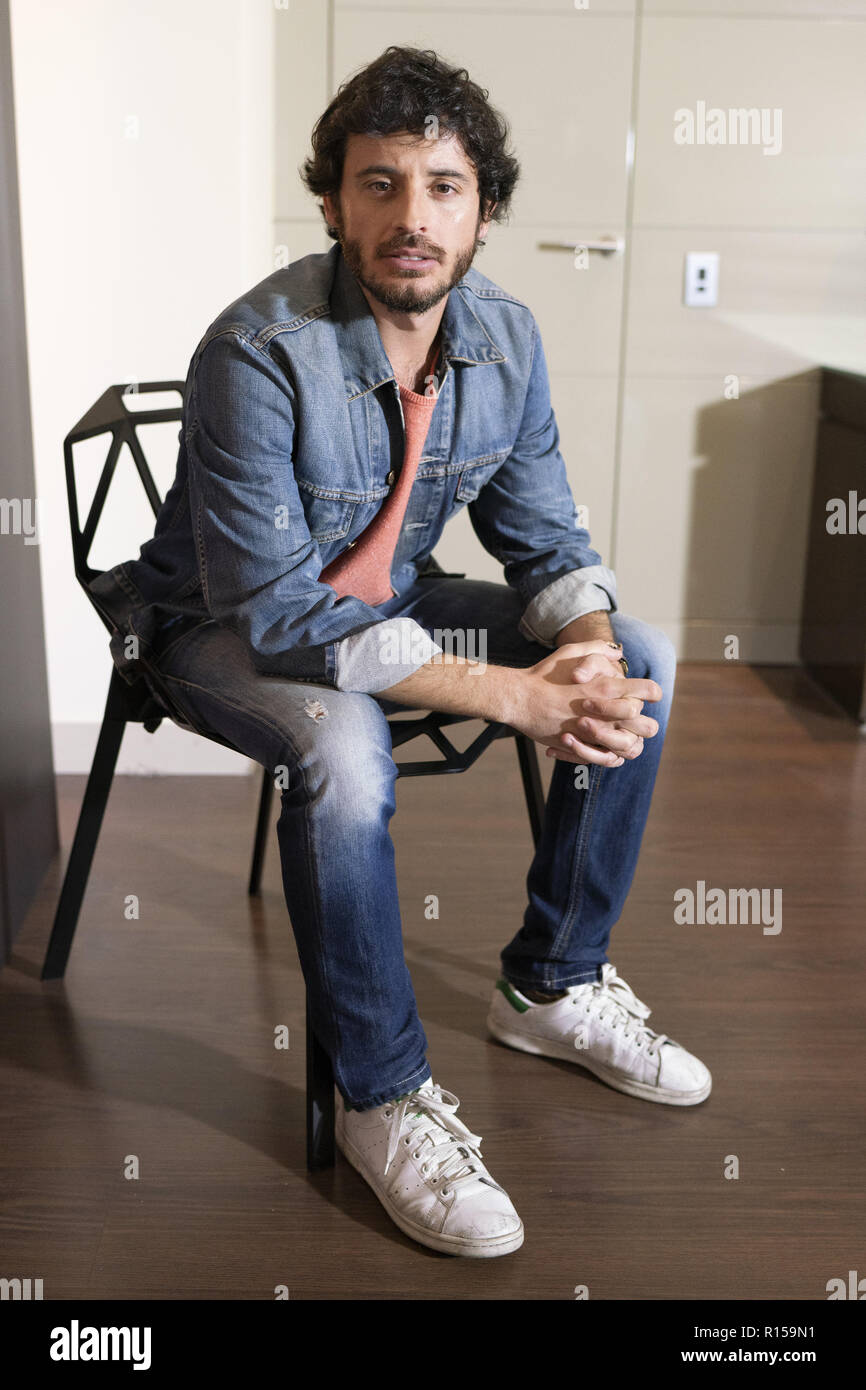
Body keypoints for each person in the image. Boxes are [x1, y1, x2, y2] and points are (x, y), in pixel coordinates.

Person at [90, 46, 710, 1260]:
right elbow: (274, 614)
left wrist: (578, 659)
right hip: (211, 620)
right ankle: (381, 1094)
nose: (410, 217)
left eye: (442, 185)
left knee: (638, 647)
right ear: (332, 202)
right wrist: (502, 695)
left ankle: (551, 983)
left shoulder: (506, 342)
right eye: (379, 184)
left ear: (484, 211)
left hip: (389, 600)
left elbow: (544, 540)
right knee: (344, 742)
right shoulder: (255, 350)